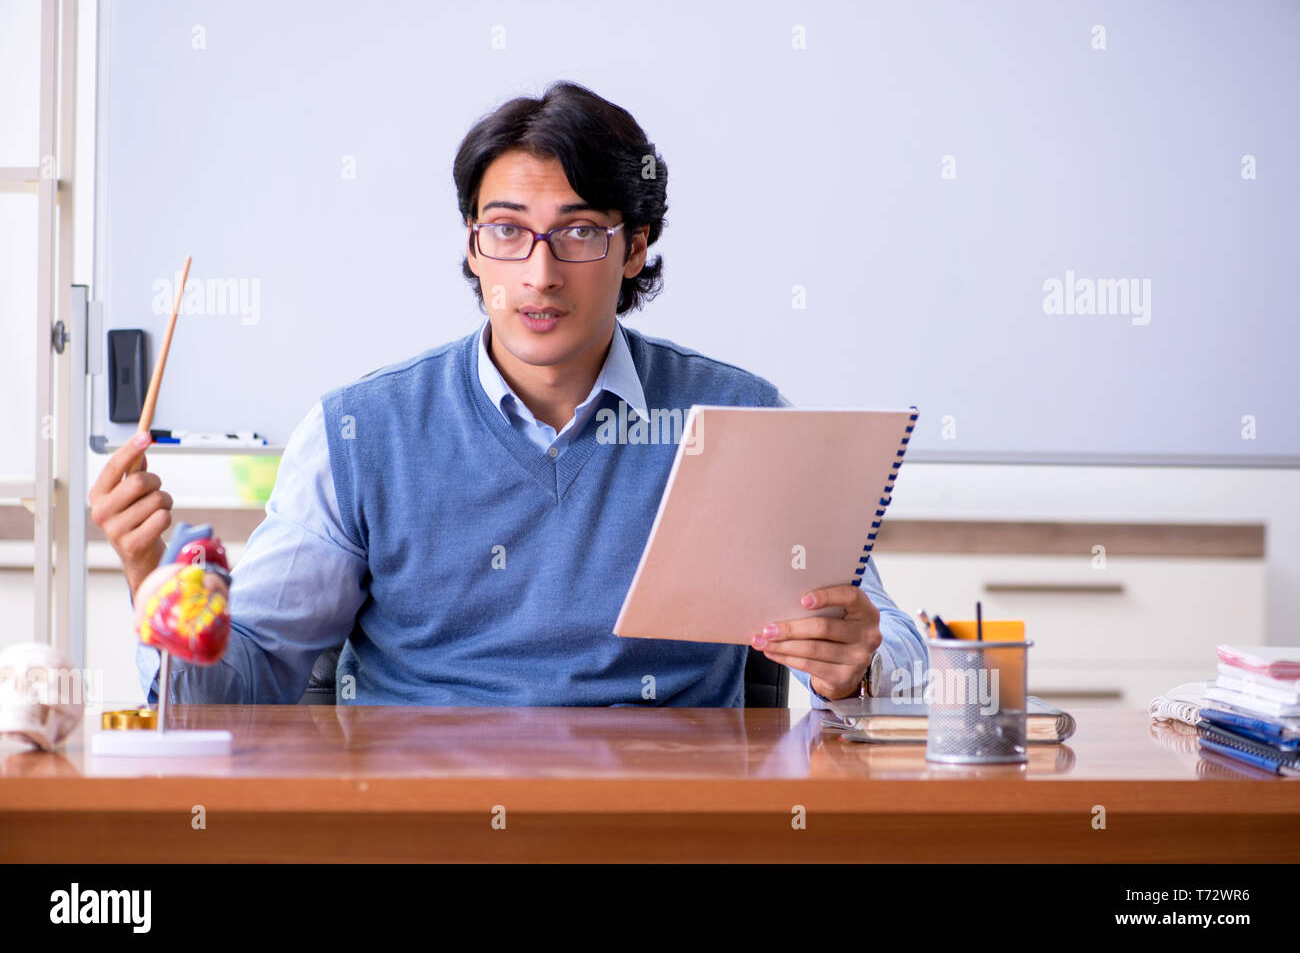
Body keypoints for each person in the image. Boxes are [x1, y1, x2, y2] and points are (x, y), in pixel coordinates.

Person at [89, 81, 928, 707]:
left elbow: (893, 648)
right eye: (507, 230)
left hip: (669, 825)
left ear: (635, 247)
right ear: (472, 247)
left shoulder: (738, 421)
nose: (539, 270)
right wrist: (149, 580)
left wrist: (857, 667)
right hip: (425, 825)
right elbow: (228, 695)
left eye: (579, 231)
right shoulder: (358, 433)